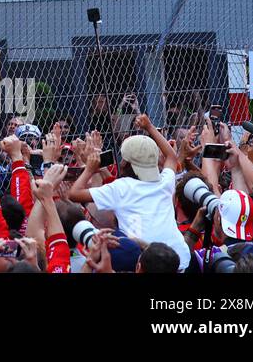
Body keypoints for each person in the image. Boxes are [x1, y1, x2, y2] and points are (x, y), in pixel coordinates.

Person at [66, 113, 191, 270]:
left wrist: (90, 169)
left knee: (117, 239)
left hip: (145, 263)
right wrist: (149, 127)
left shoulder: (122, 187)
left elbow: (73, 194)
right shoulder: (164, 182)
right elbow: (172, 157)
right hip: (179, 259)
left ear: (126, 162)